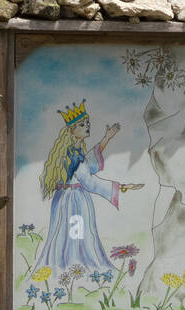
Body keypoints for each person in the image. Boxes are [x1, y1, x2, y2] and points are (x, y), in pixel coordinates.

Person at [36, 100, 141, 273]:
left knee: (67, 233)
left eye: (88, 123)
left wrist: (106, 138)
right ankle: (75, 265)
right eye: (82, 124)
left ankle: (69, 265)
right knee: (76, 232)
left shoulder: (72, 153)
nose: (87, 126)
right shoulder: (73, 156)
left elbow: (89, 163)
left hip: (65, 199)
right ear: (71, 131)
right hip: (74, 200)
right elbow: (90, 181)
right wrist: (121, 187)